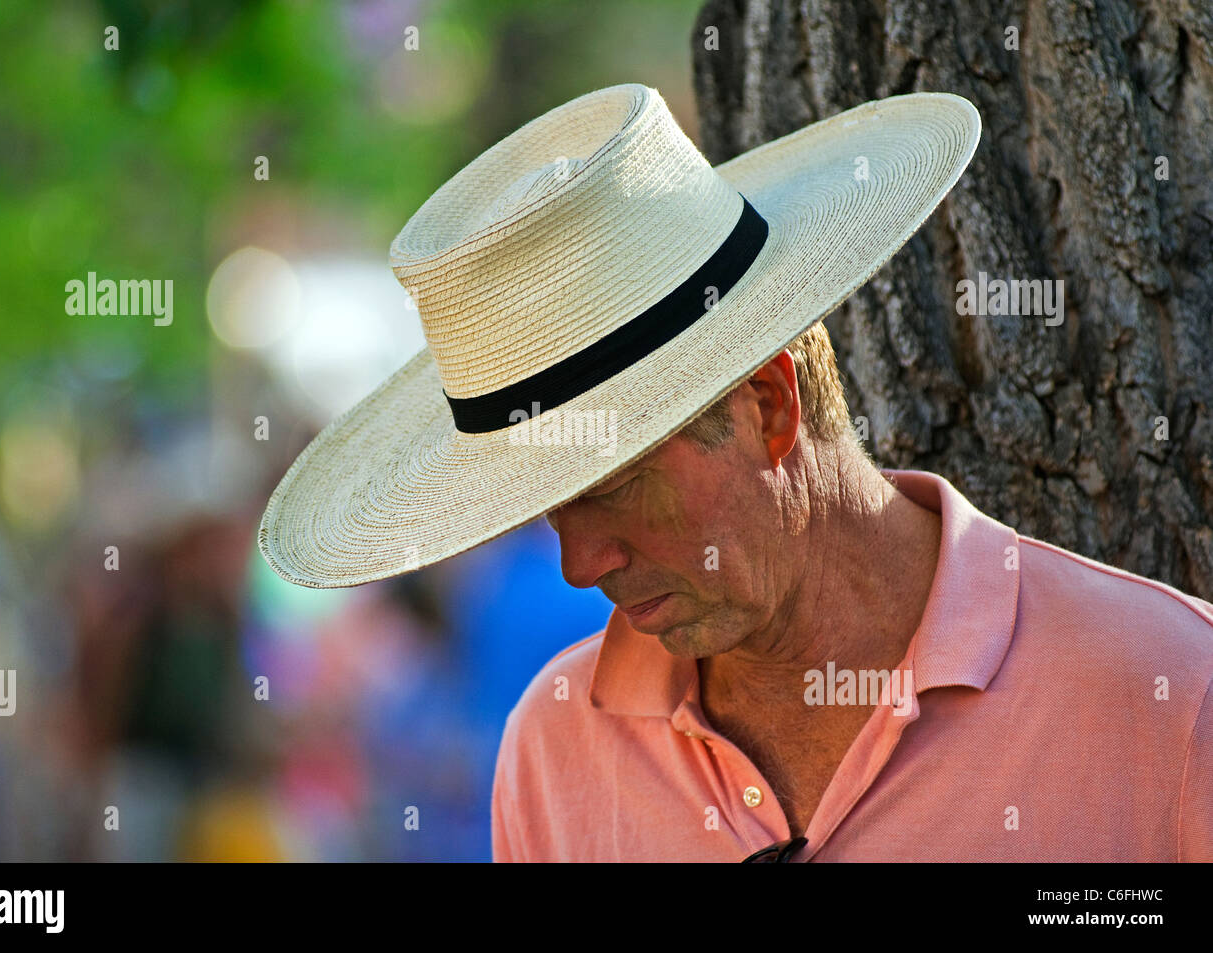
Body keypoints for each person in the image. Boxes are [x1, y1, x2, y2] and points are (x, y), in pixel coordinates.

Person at [258, 83, 1213, 861]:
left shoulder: (1162, 694)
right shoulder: (555, 751)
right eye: (546, 511)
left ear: (770, 404)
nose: (578, 564)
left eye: (609, 487)